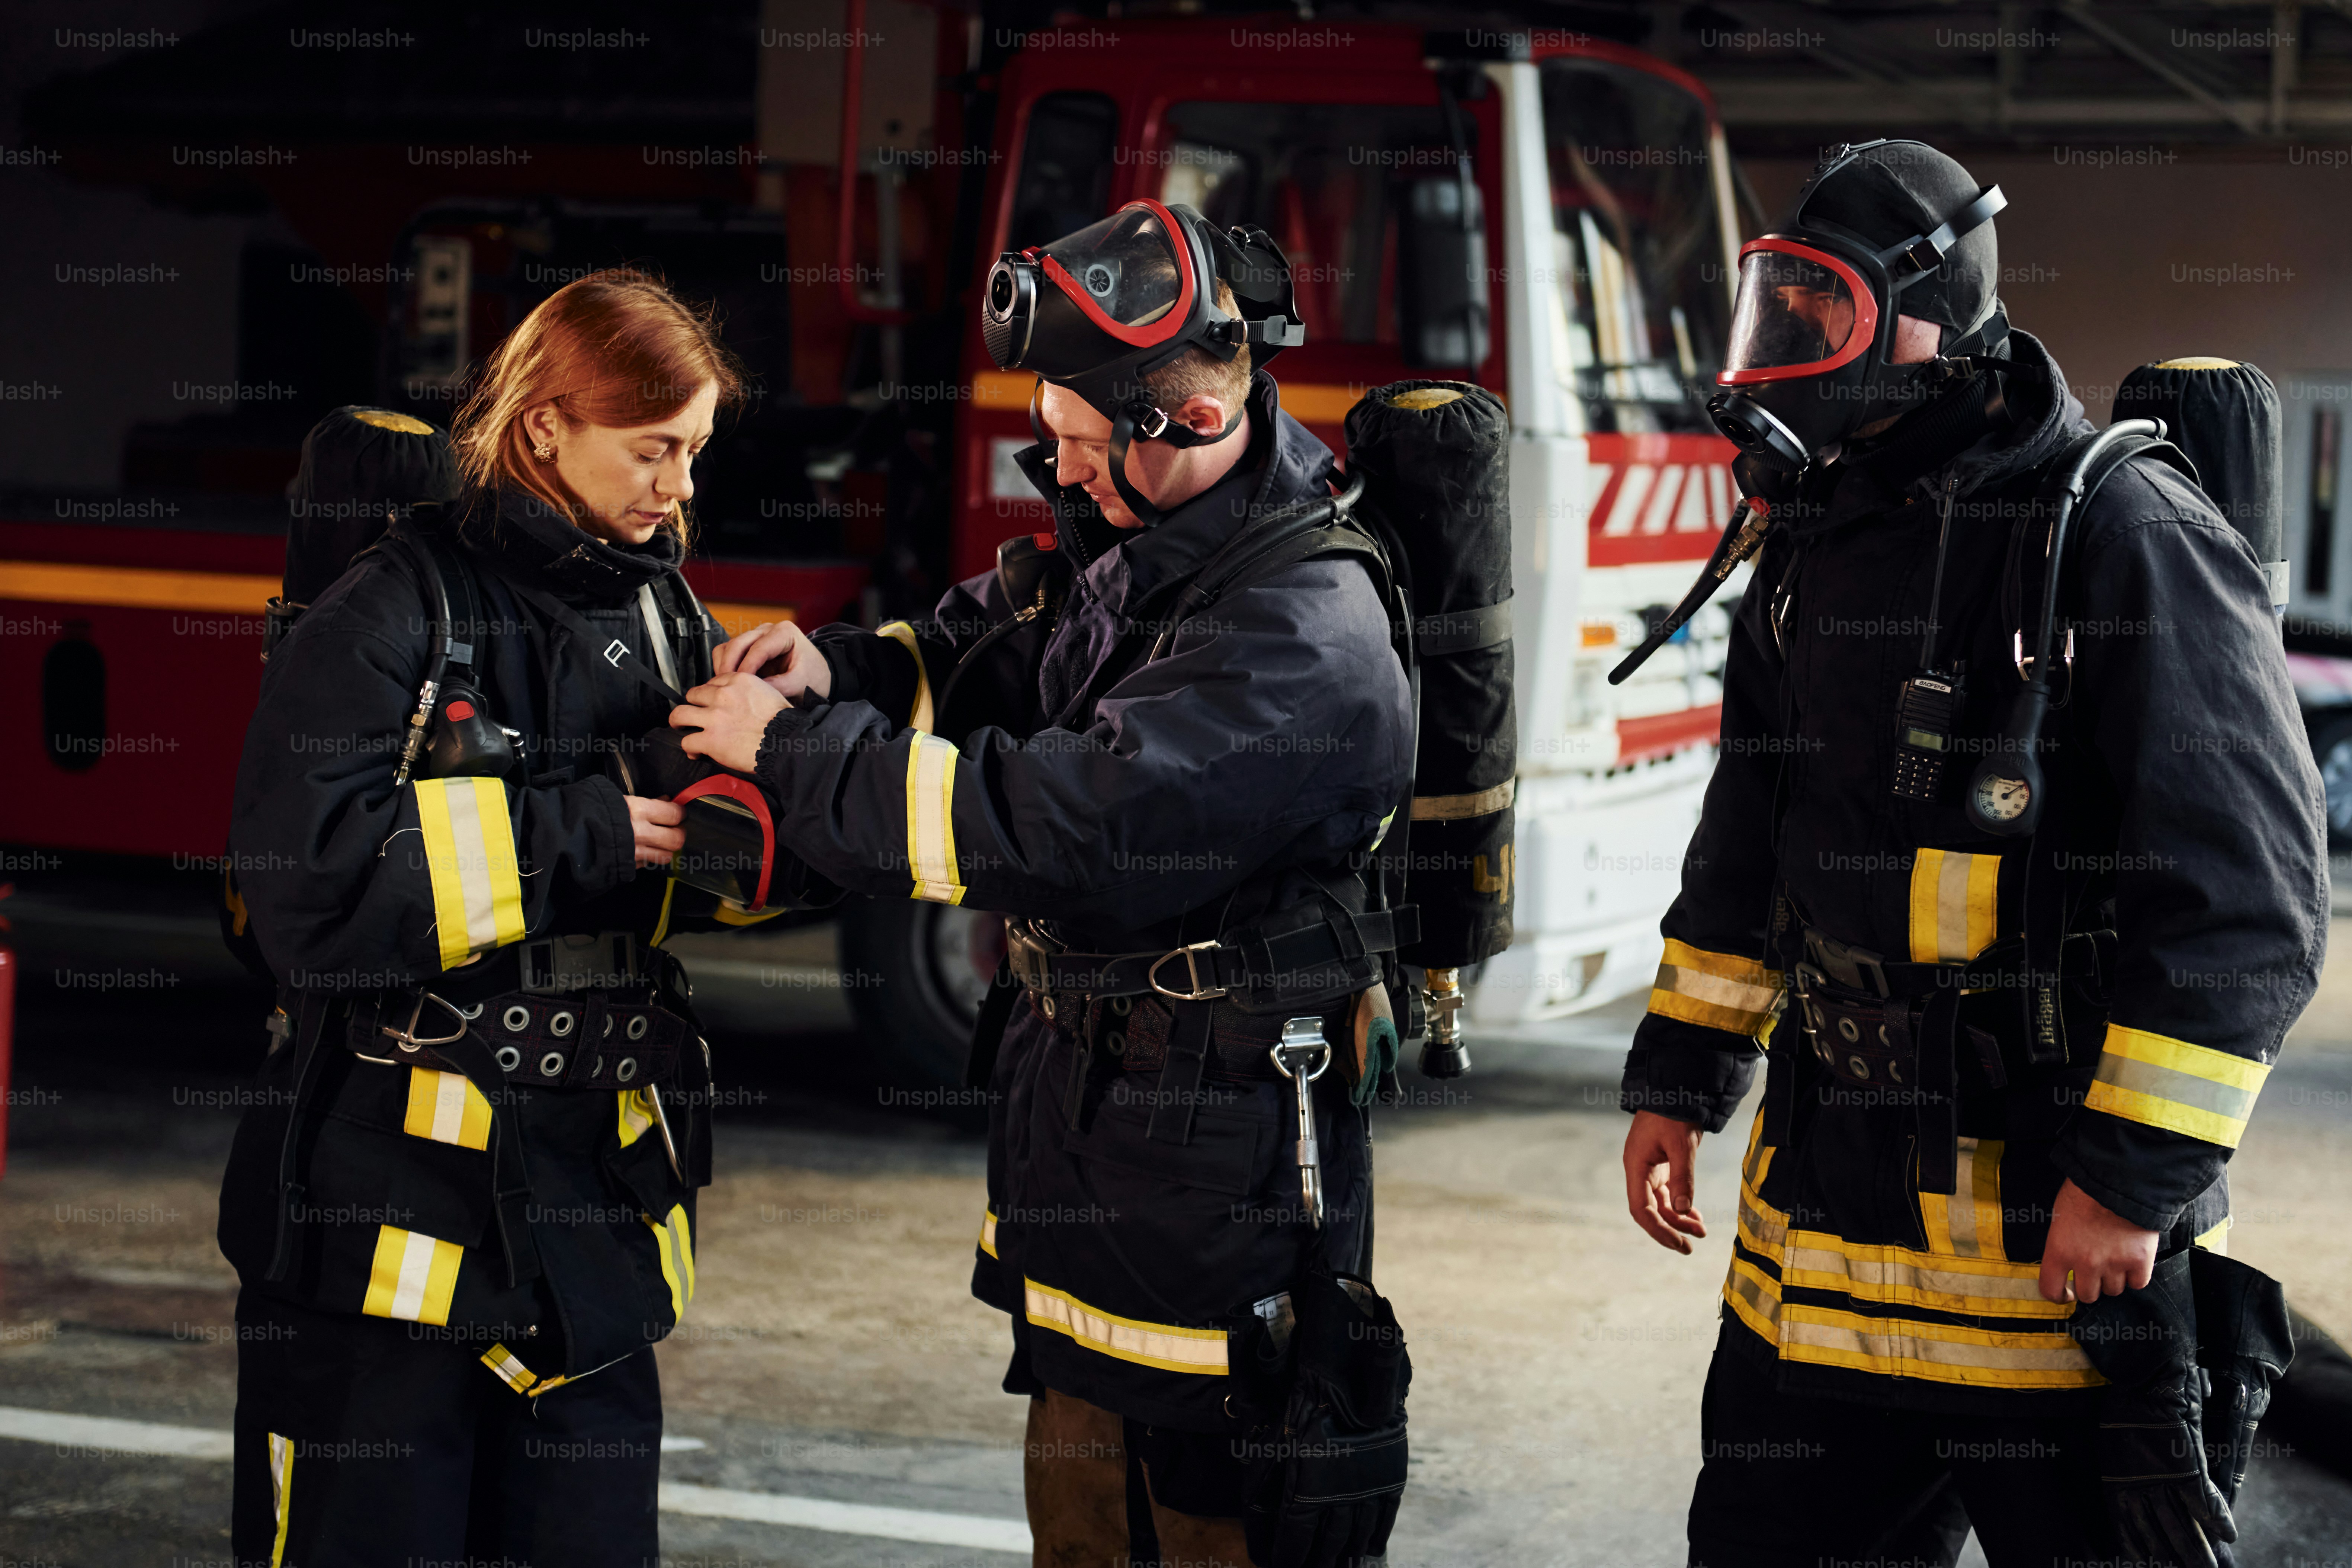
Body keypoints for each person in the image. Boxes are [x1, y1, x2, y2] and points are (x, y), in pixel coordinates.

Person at [671, 202, 1417, 1566]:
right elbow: (1003, 637)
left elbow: (1045, 827)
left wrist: (789, 751)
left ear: (1184, 422)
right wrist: (838, 670)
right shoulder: (1154, 544)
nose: (1058, 476)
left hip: (1213, 1164)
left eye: (1077, 441)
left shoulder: (1295, 639)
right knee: (1079, 1497)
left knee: (1210, 1509)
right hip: (1105, 1130)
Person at [1616, 140, 2326, 1564]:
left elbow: (2244, 899)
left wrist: (2133, 1178)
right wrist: (1683, 1077)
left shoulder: (2116, 530)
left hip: (2050, 1275)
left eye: (1824, 319)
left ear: (1931, 323)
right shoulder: (1810, 535)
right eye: (1776, 311)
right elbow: (1750, 837)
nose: (1786, 356)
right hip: (1812, 1263)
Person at [218, 270, 771, 1566]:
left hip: (591, 1225)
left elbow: (704, 870)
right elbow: (303, 892)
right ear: (541, 429)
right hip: (383, 1234)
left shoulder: (660, 607)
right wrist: (574, 826)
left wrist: (783, 799)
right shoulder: (390, 611)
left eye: (691, 453)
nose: (678, 489)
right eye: (652, 450)